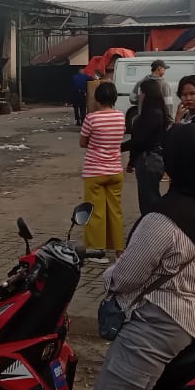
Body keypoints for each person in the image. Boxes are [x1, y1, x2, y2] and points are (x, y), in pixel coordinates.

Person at [93, 124, 195, 390]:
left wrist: (108, 274)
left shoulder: (163, 220)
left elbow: (124, 279)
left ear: (176, 163)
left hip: (157, 326)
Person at [80, 82, 127, 263]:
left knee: (95, 211)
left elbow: (83, 142)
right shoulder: (121, 117)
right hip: (115, 170)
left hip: (95, 172)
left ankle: (97, 251)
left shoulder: (91, 118)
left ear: (97, 99)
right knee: (115, 211)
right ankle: (119, 250)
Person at [124, 79, 171, 215]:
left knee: (149, 200)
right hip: (148, 159)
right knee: (148, 196)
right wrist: (131, 162)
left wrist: (118, 146)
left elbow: (140, 141)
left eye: (141, 93)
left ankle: (152, 228)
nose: (140, 96)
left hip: (149, 160)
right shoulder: (154, 113)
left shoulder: (153, 115)